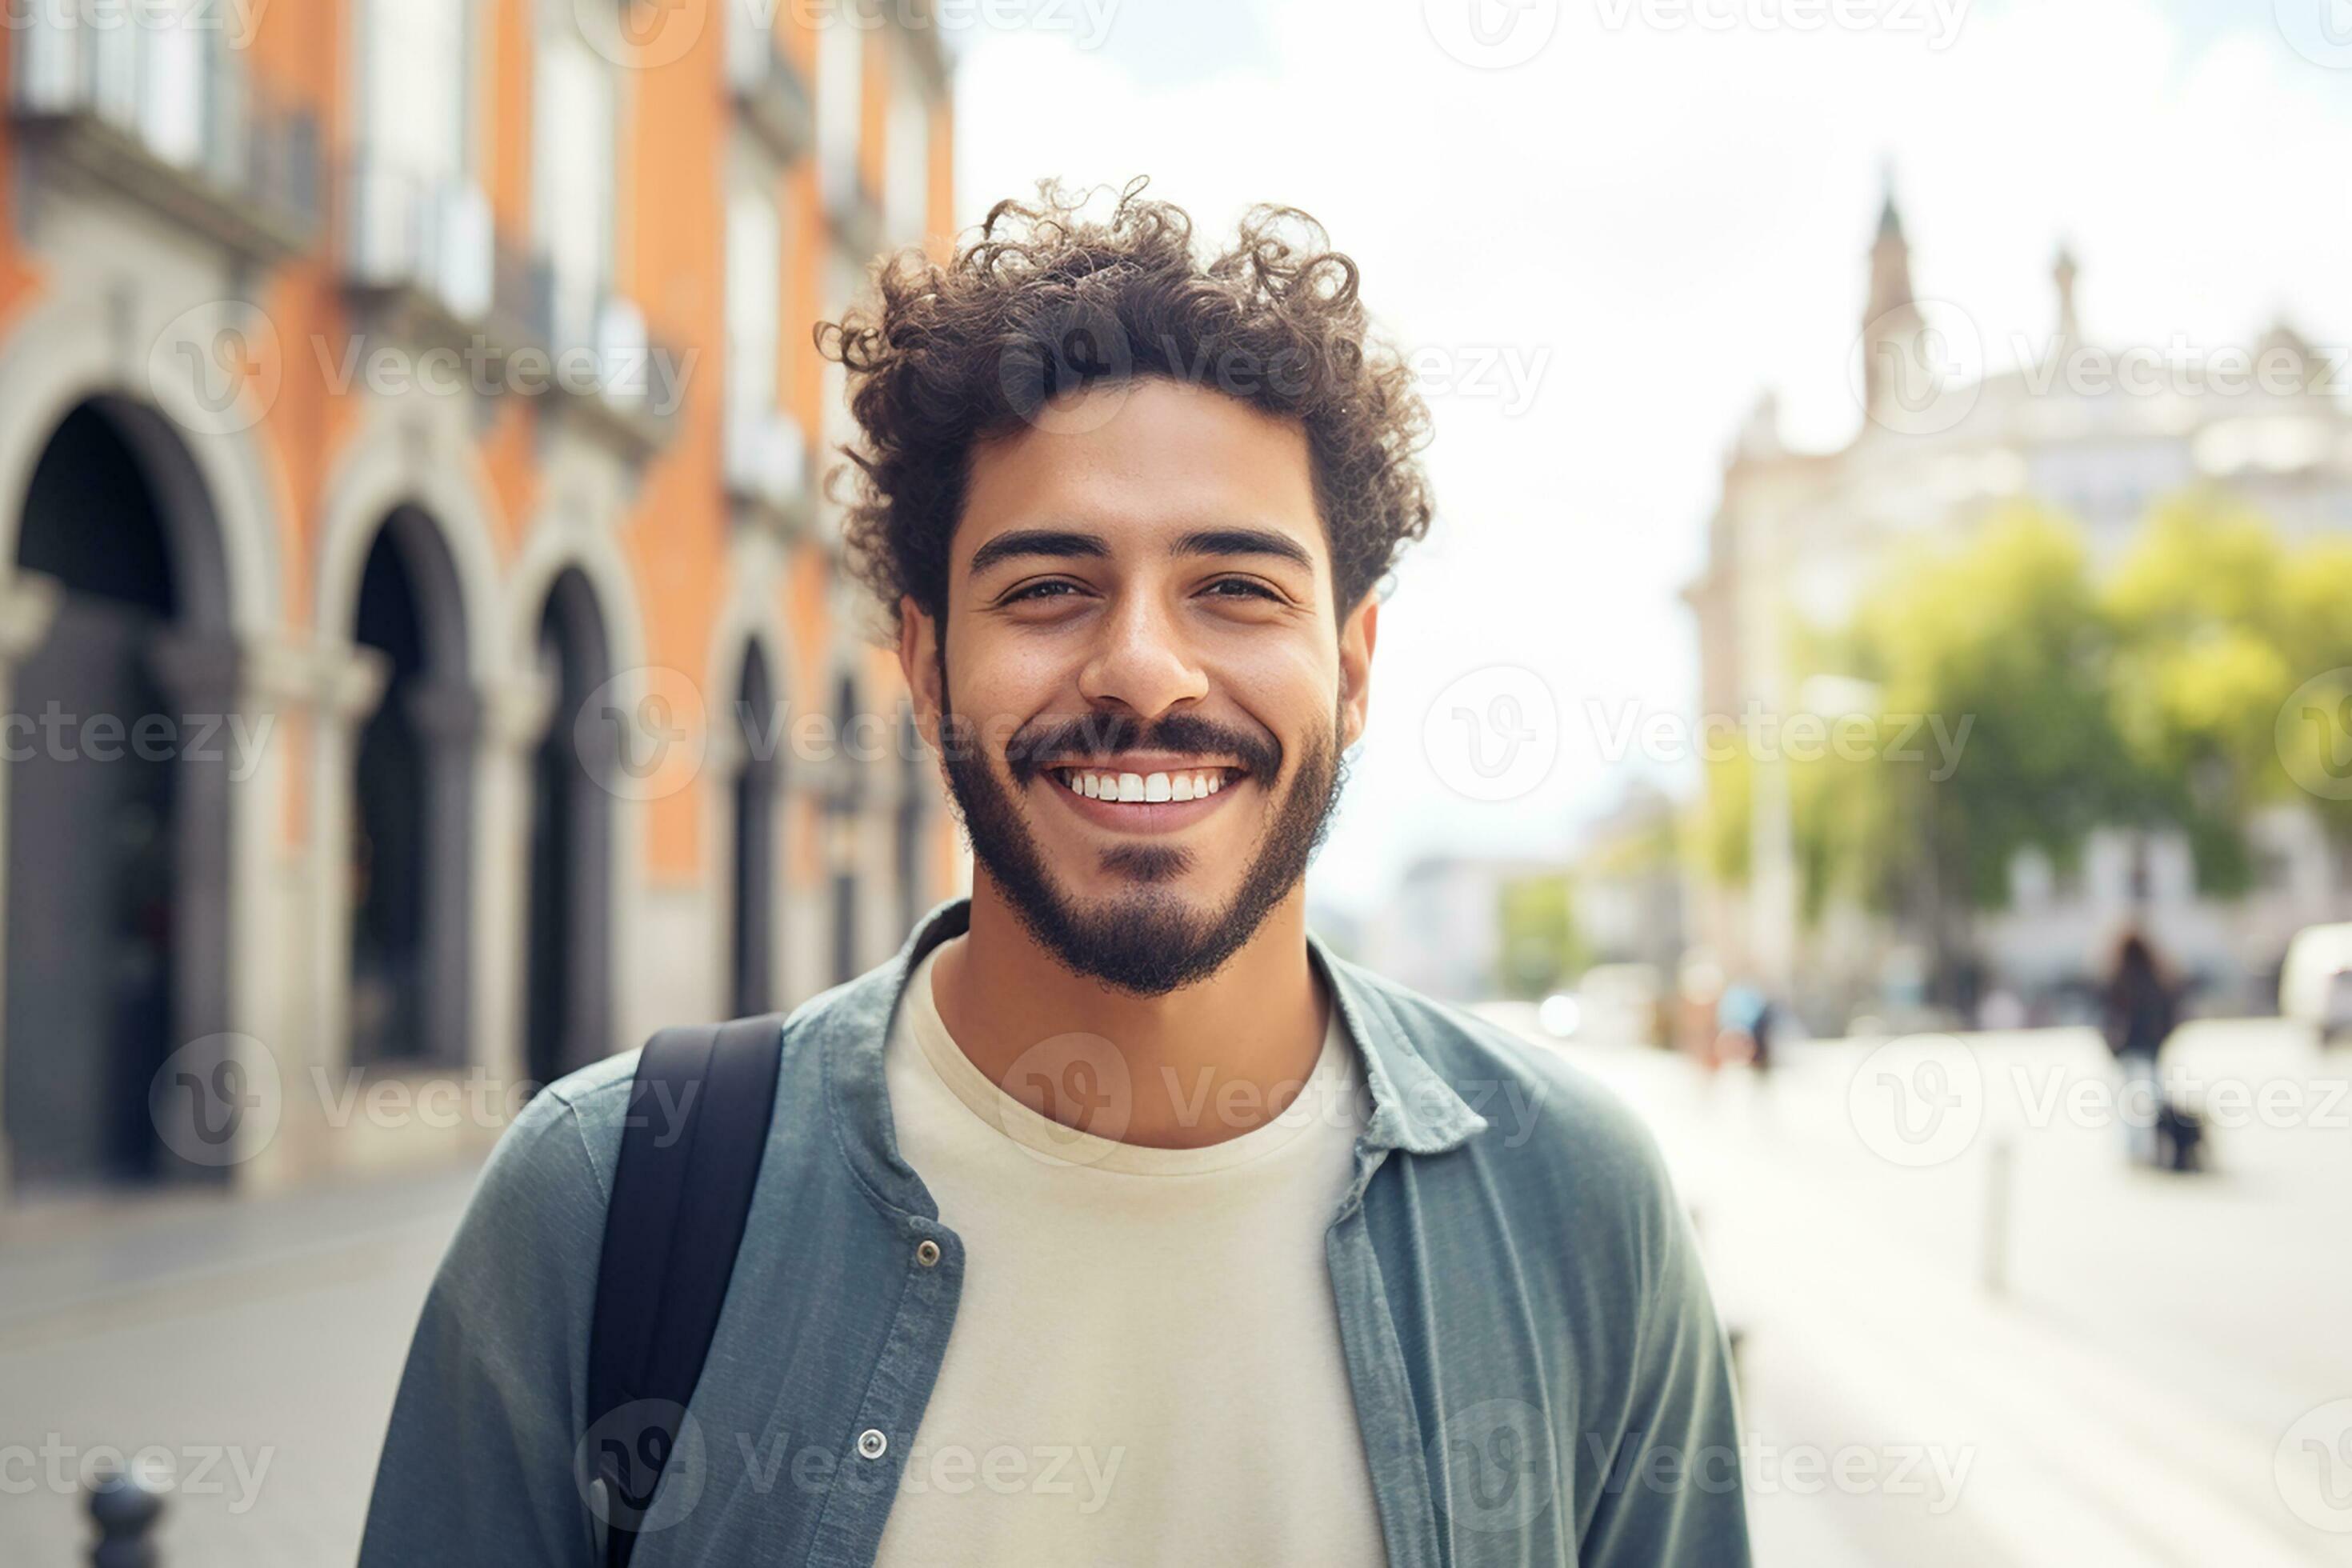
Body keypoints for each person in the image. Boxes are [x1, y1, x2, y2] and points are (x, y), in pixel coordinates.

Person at [358, 181, 1750, 1566]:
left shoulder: (1577, 1203)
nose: (1143, 667)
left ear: (1354, 663)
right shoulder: (604, 1201)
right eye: (1046, 589)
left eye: (1238, 588)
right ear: (922, 664)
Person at [2101, 930, 2190, 1170]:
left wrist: (2114, 1045)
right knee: (2153, 1104)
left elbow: (2109, 1017)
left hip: (2130, 1049)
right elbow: (2171, 1011)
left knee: (2131, 1105)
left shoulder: (2120, 978)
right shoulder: (2157, 977)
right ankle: (2154, 1150)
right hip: (2151, 1048)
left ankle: (2136, 1152)